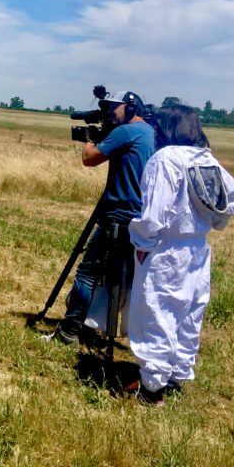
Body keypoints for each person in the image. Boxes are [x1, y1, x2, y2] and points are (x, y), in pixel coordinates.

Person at [126, 105, 234, 405]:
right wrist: (216, 220)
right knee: (188, 314)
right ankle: (175, 378)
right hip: (197, 249)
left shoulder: (164, 159)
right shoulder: (205, 158)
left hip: (166, 248)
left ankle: (152, 389)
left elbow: (153, 215)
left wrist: (141, 244)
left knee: (157, 312)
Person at [49, 89, 156, 346]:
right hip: (143, 218)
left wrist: (91, 138)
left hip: (118, 214)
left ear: (129, 108)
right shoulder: (150, 133)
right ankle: (113, 328)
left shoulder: (126, 132)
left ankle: (70, 331)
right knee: (124, 278)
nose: (109, 114)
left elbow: (89, 159)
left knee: (88, 272)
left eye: (113, 109)